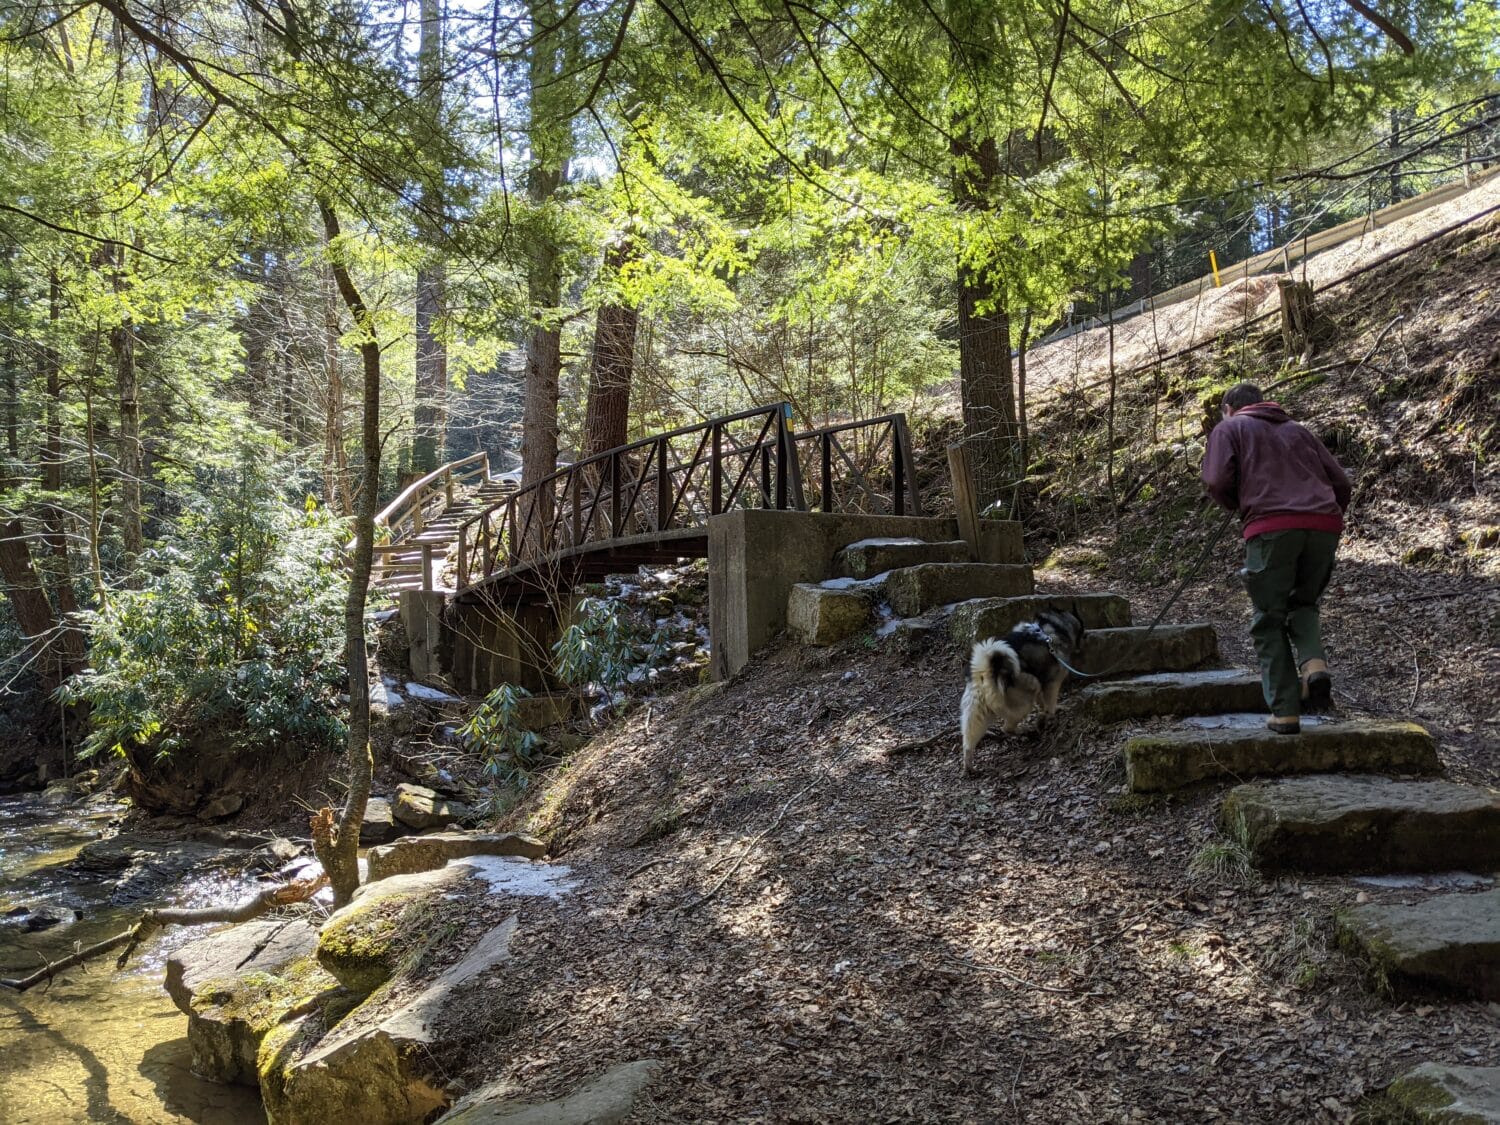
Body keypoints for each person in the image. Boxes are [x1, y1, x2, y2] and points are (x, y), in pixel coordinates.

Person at [1201, 382, 1352, 735]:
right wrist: (1324, 519)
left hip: (1271, 527)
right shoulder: (1299, 431)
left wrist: (1242, 506)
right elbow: (1341, 483)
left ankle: (1285, 711)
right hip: (1324, 524)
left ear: (1228, 408)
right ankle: (1314, 667)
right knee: (1304, 602)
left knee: (1268, 618)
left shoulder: (1230, 428)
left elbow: (1216, 478)